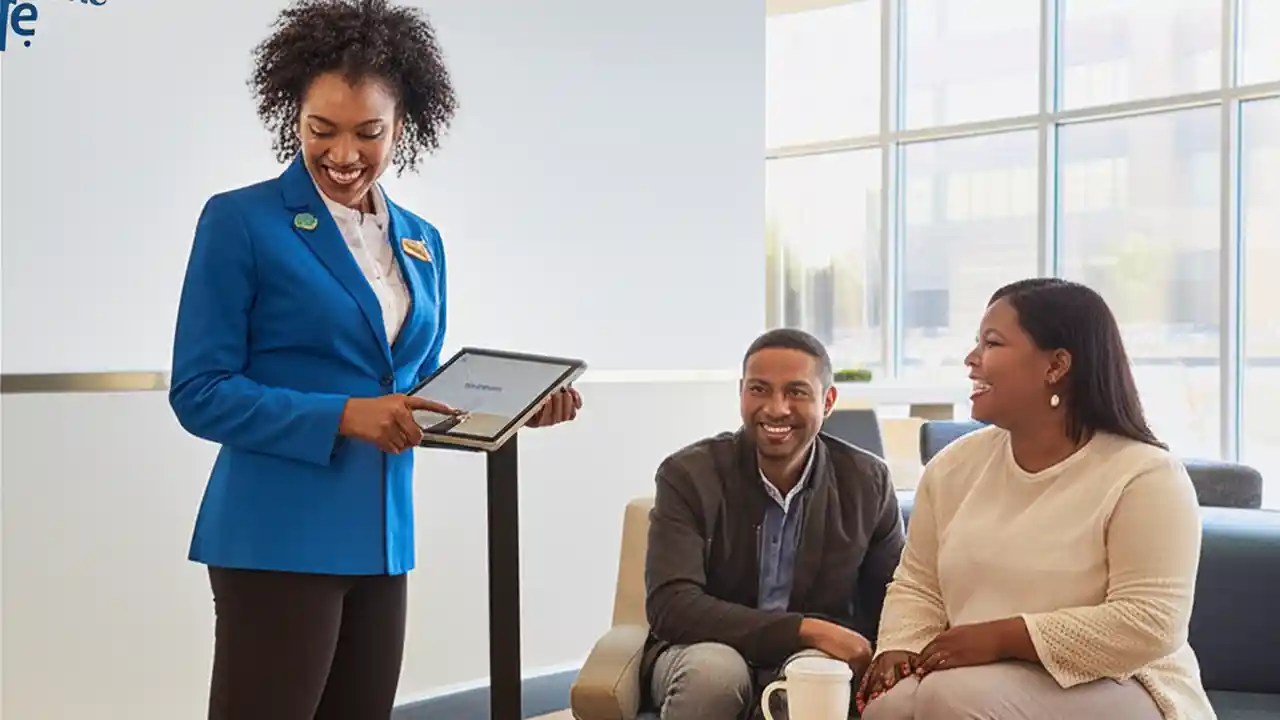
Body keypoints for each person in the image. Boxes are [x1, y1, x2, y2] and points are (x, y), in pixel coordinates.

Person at [168, 2, 581, 718]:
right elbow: (200, 391)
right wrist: (345, 416)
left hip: (382, 540)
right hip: (277, 535)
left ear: (402, 127)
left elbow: (408, 392)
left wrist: (512, 411)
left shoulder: (421, 240)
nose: (343, 153)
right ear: (293, 118)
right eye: (321, 129)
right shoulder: (241, 221)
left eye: (369, 132)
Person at [857, 278, 1215, 720]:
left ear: (1056, 365)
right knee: (889, 706)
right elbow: (918, 584)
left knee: (950, 697)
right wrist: (900, 646)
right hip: (979, 676)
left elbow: (1149, 622)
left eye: (992, 343)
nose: (971, 360)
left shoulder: (1145, 475)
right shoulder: (953, 466)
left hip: (1130, 682)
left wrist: (1004, 637)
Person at [642, 328, 907, 720]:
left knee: (816, 674)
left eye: (796, 392)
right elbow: (672, 606)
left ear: (828, 401)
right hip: (702, 646)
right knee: (714, 676)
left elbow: (893, 598)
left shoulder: (867, 481)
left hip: (811, 654)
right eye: (759, 389)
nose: (776, 408)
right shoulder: (688, 475)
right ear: (741, 393)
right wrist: (806, 628)